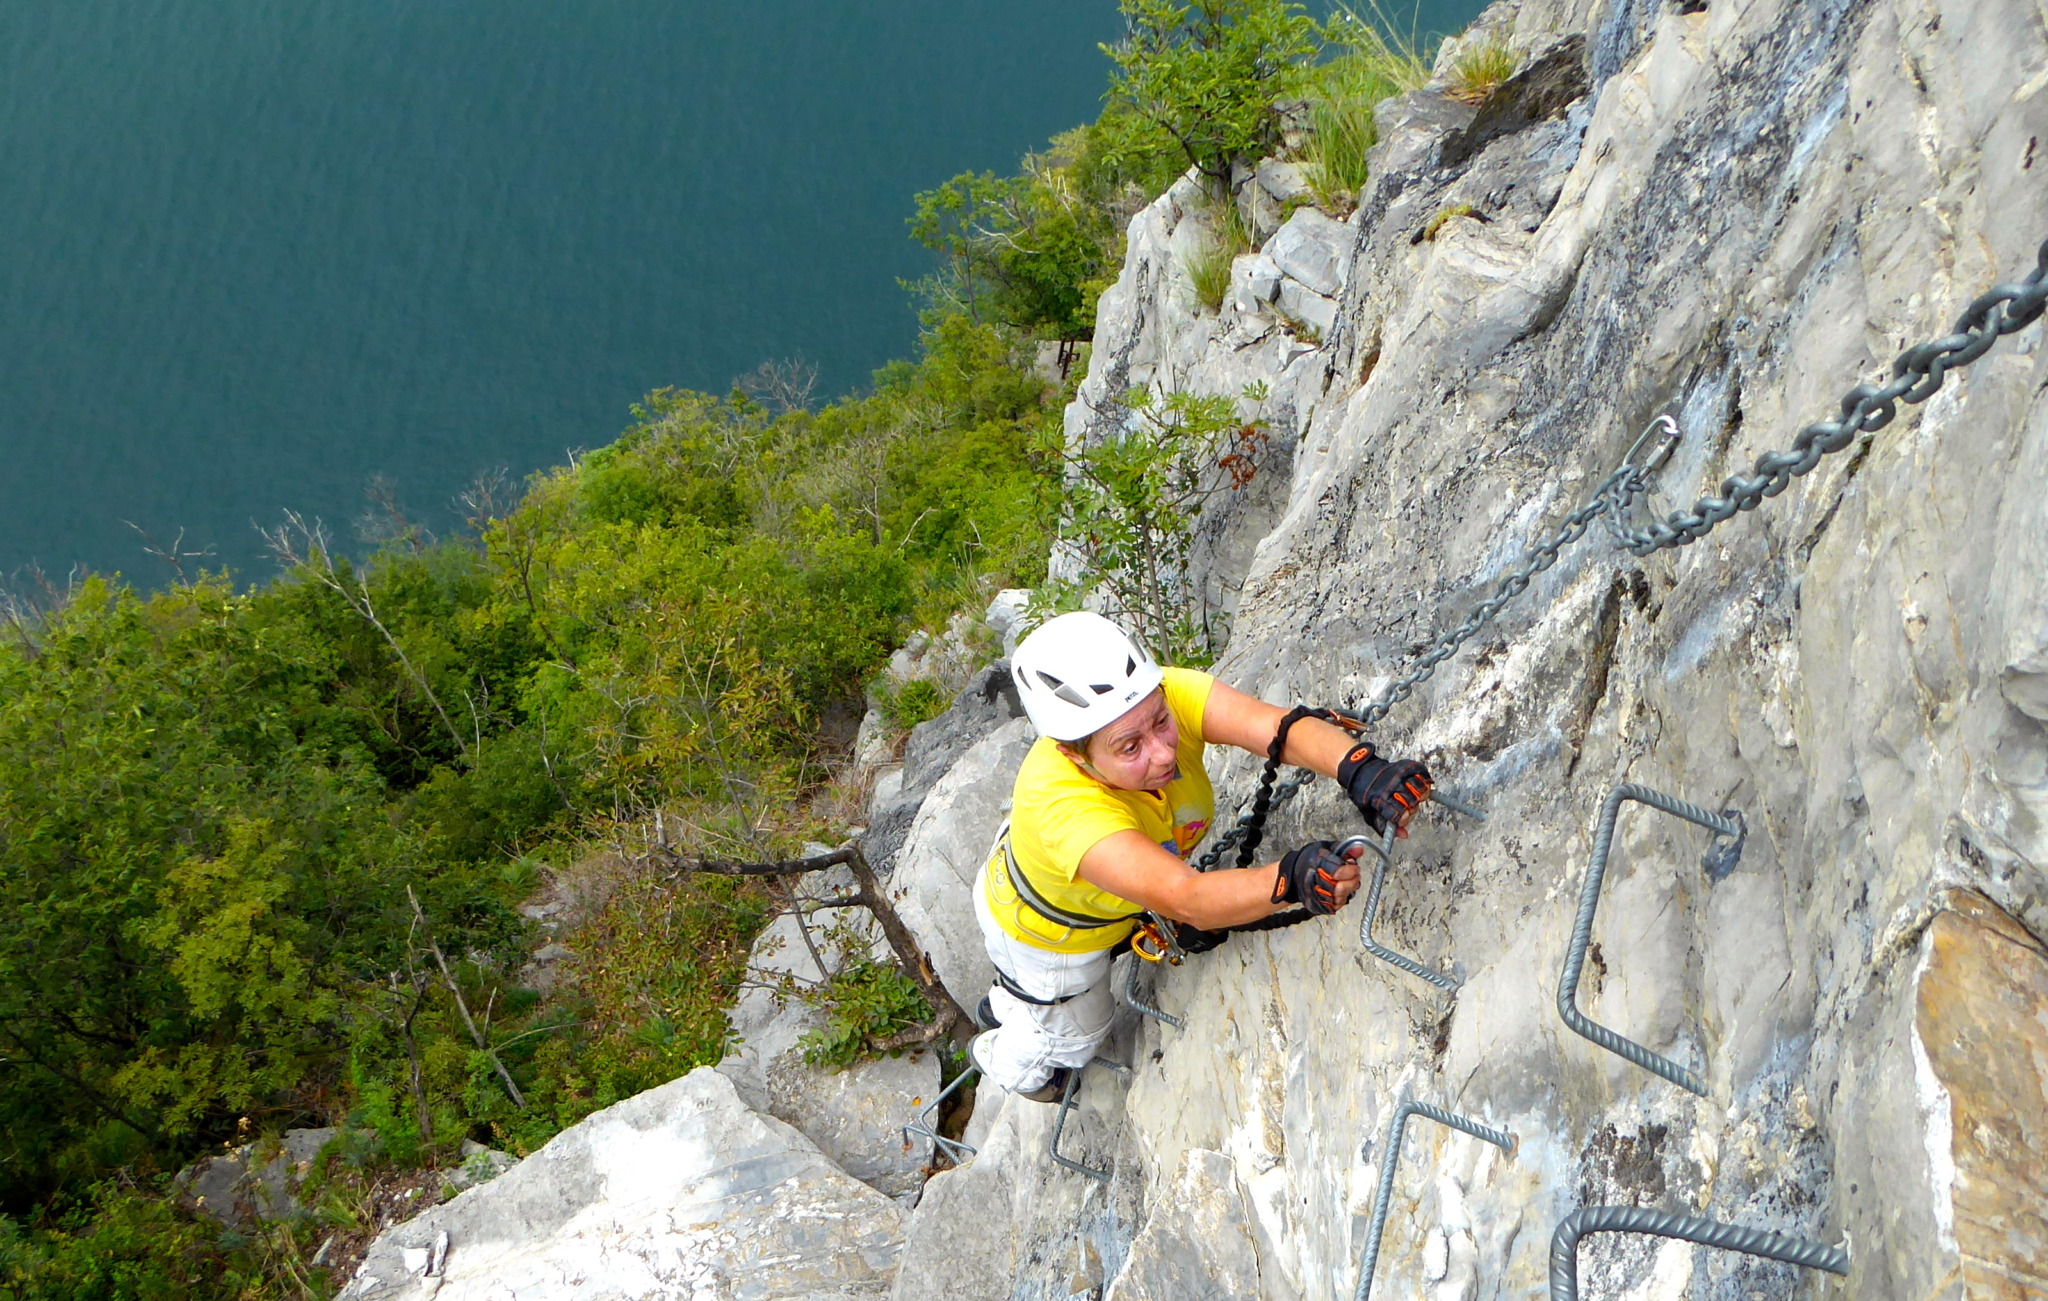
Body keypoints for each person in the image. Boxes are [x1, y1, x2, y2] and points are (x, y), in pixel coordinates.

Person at [970, 611, 1433, 1101]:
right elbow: (1186, 897)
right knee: (1080, 1033)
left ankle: (1010, 1001)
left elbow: (1275, 728)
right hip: (1048, 938)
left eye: (1161, 723)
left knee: (1045, 1000)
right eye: (1130, 748)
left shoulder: (1153, 697)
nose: (1163, 753)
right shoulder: (1064, 812)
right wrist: (1292, 878)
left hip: (1071, 893)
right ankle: (1009, 1059)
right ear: (1074, 755)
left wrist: (1360, 768)